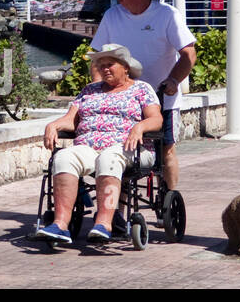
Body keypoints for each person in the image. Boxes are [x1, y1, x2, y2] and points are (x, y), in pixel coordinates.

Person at [36, 44, 163, 245]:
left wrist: (139, 127)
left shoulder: (141, 89)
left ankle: (105, 223)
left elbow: (156, 119)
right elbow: (71, 120)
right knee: (64, 157)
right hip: (89, 147)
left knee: (108, 158)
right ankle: (60, 225)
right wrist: (54, 125)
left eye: (110, 64)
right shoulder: (90, 90)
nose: (104, 69)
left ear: (126, 67)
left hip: (129, 149)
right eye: (101, 65)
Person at [90, 0, 196, 191]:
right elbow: (97, 58)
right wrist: (98, 88)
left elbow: (189, 54)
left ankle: (167, 197)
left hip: (160, 98)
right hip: (121, 99)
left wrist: (174, 80)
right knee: (119, 149)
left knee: (166, 149)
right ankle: (119, 205)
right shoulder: (112, 16)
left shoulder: (167, 14)